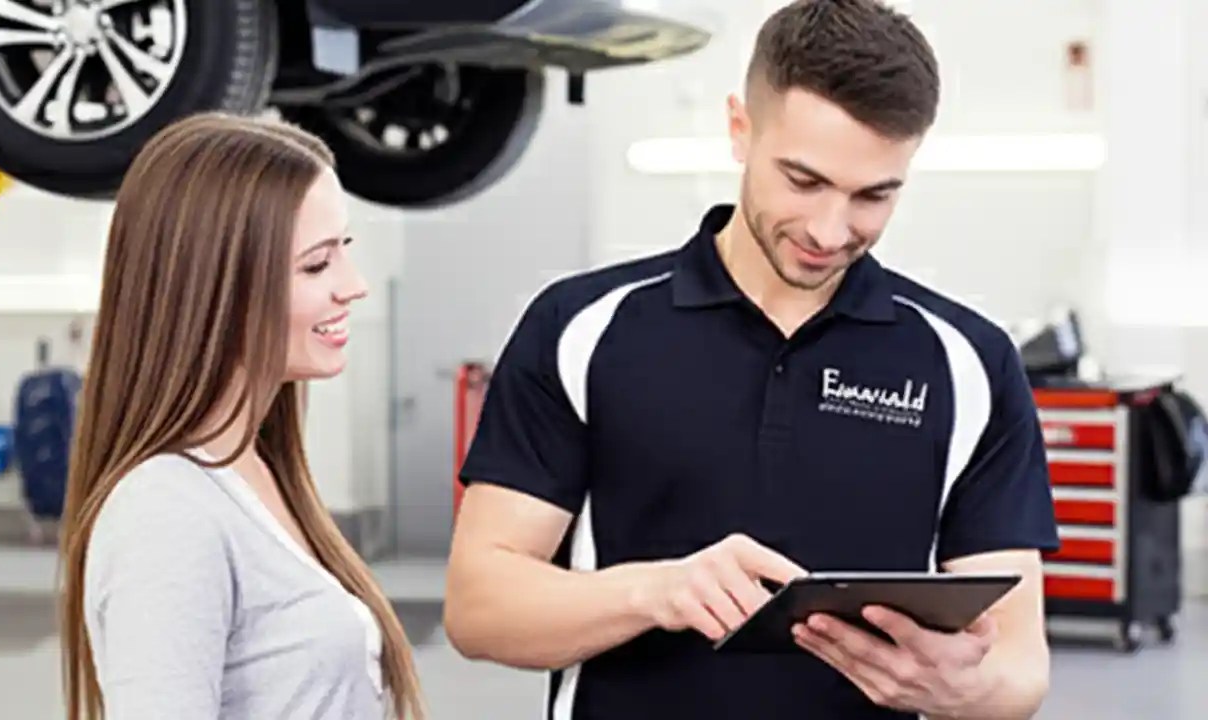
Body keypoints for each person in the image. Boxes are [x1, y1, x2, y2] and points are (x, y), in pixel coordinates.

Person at [443, 1, 1059, 719]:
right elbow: (477, 609)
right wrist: (656, 591)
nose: (830, 231)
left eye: (873, 196)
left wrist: (963, 690)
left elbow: (1020, 668)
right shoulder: (580, 328)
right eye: (803, 181)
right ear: (740, 129)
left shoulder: (969, 364)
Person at [57, 112, 425, 720]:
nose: (354, 286)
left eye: (345, 252)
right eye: (316, 264)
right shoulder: (165, 514)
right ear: (216, 288)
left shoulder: (254, 469)